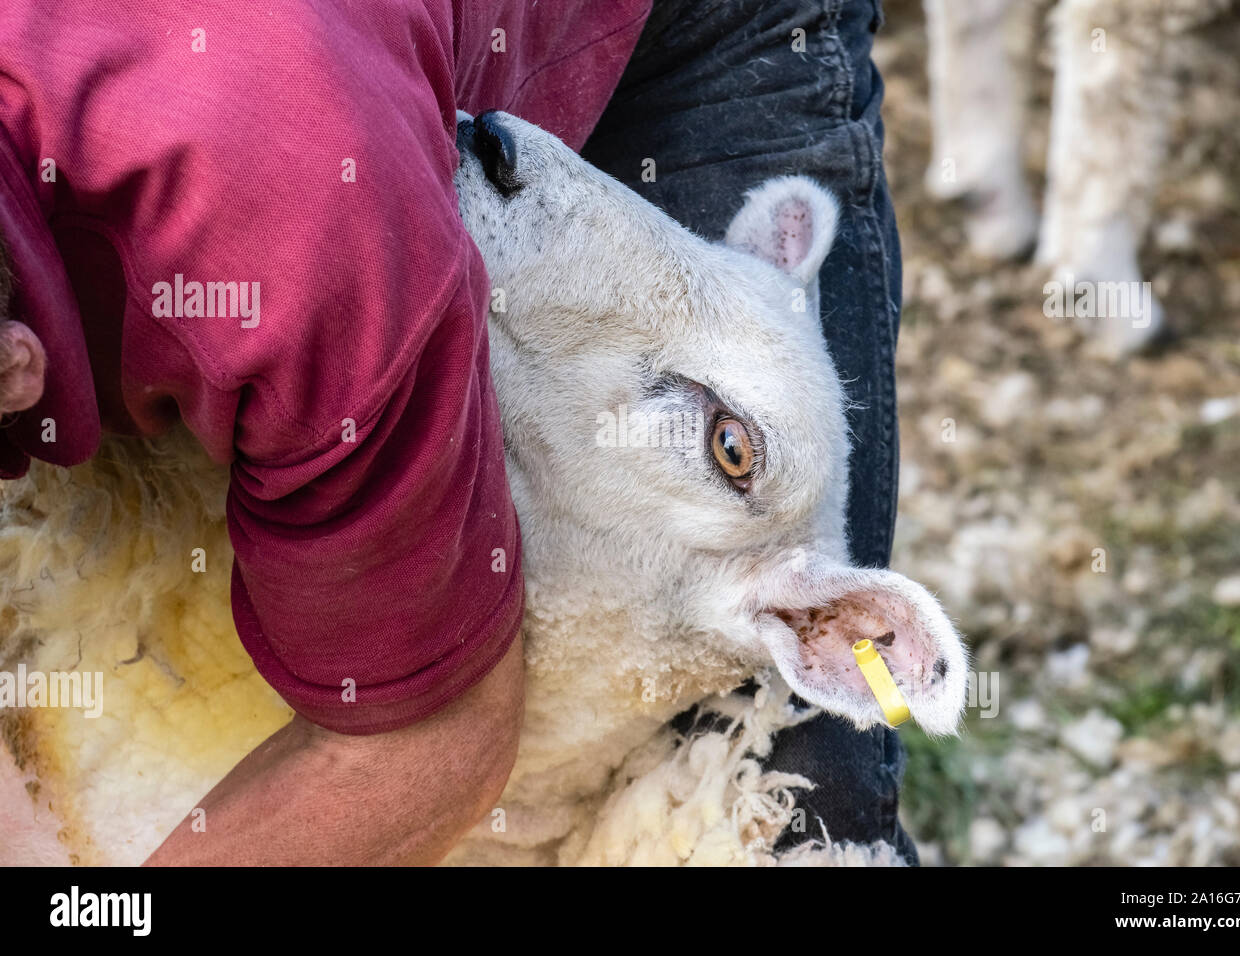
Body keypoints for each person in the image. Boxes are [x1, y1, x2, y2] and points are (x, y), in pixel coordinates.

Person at [0, 0, 911, 864]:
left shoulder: (296, 231)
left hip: (644, 58)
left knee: (772, 800)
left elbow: (426, 753)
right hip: (397, 151)